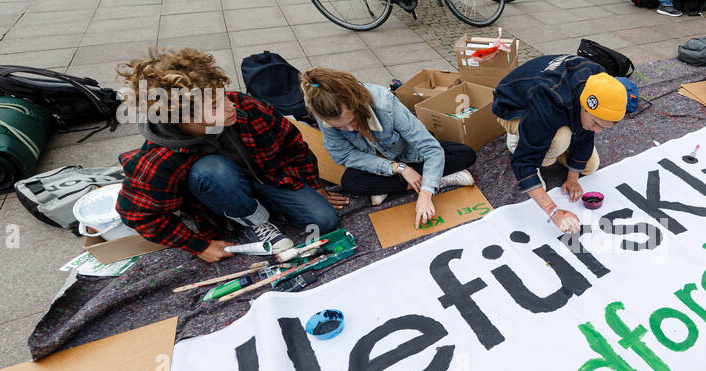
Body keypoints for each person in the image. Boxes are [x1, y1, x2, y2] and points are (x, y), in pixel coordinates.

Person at [114, 48, 344, 262]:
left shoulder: (243, 106)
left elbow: (292, 142)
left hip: (269, 179)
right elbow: (136, 213)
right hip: (220, 198)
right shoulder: (159, 158)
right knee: (212, 169)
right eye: (215, 106)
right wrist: (198, 246)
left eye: (223, 96)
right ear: (183, 118)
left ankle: (263, 209)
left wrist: (315, 185)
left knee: (326, 220)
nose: (230, 105)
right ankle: (252, 222)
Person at [301, 68, 476, 221]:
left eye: (352, 120)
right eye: (341, 127)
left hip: (408, 153)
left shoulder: (383, 102)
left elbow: (429, 147)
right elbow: (344, 156)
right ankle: (438, 179)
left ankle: (419, 183)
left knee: (465, 154)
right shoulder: (325, 113)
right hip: (379, 165)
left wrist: (426, 193)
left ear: (356, 104)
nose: (350, 128)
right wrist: (399, 168)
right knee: (349, 182)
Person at [491, 55, 638, 234]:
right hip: (512, 105)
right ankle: (519, 138)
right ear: (583, 105)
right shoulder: (549, 98)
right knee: (559, 140)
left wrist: (572, 178)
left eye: (603, 127)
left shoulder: (600, 82)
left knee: (590, 166)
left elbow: (587, 131)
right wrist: (554, 211)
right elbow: (523, 163)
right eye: (596, 123)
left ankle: (556, 136)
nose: (598, 130)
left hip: (561, 105)